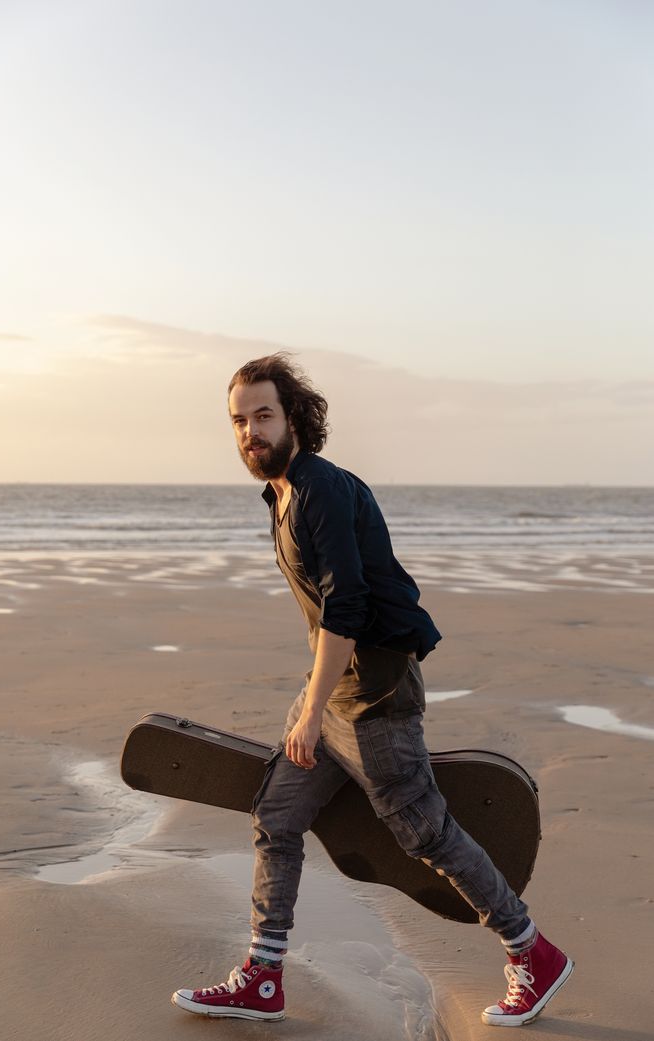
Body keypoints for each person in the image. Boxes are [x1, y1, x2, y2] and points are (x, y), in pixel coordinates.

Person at [172, 353, 574, 1027]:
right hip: (334, 694)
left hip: (377, 699)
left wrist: (311, 713)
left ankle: (533, 952)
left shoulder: (322, 488)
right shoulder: (281, 495)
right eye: (238, 420)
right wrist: (310, 701)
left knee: (424, 831)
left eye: (263, 414)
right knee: (276, 813)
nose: (249, 430)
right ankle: (263, 975)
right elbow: (322, 613)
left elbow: (347, 606)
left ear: (294, 417)